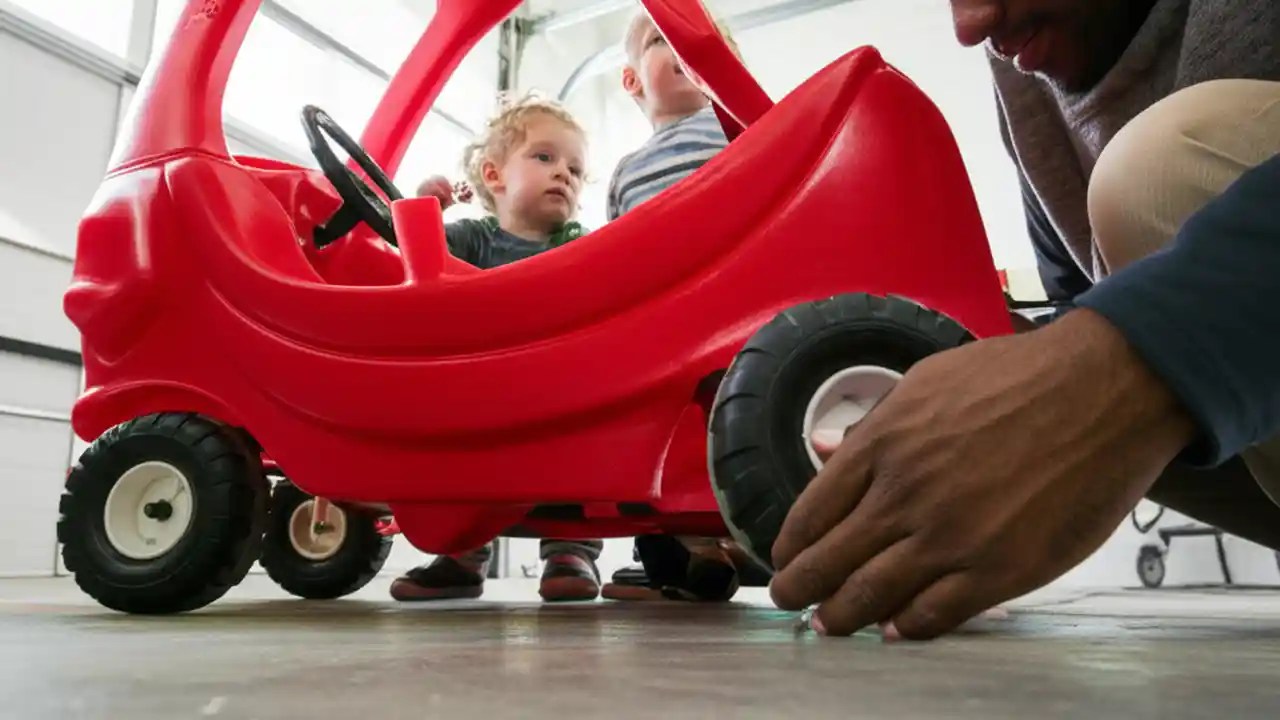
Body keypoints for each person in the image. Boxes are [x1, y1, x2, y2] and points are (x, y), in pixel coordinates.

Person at [768, 0, 1280, 639]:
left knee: (1158, 174)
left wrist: (1122, 367)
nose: (968, 25)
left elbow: (1099, 355)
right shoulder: (1026, 71)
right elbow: (1074, 305)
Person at [389, 92, 602, 603]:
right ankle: (462, 552)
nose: (564, 175)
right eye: (545, 158)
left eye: (575, 169)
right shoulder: (473, 240)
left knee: (581, 444)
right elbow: (409, 260)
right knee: (462, 454)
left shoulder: (578, 243)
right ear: (493, 176)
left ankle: (569, 550)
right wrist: (424, 208)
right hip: (478, 384)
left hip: (554, 386)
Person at [598, 11, 761, 603]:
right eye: (663, 42)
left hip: (740, 309)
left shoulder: (743, 129)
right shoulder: (626, 170)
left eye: (711, 49)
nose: (688, 52)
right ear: (634, 81)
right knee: (655, 442)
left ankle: (751, 538)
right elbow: (613, 256)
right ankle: (689, 557)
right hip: (662, 327)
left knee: (744, 423)